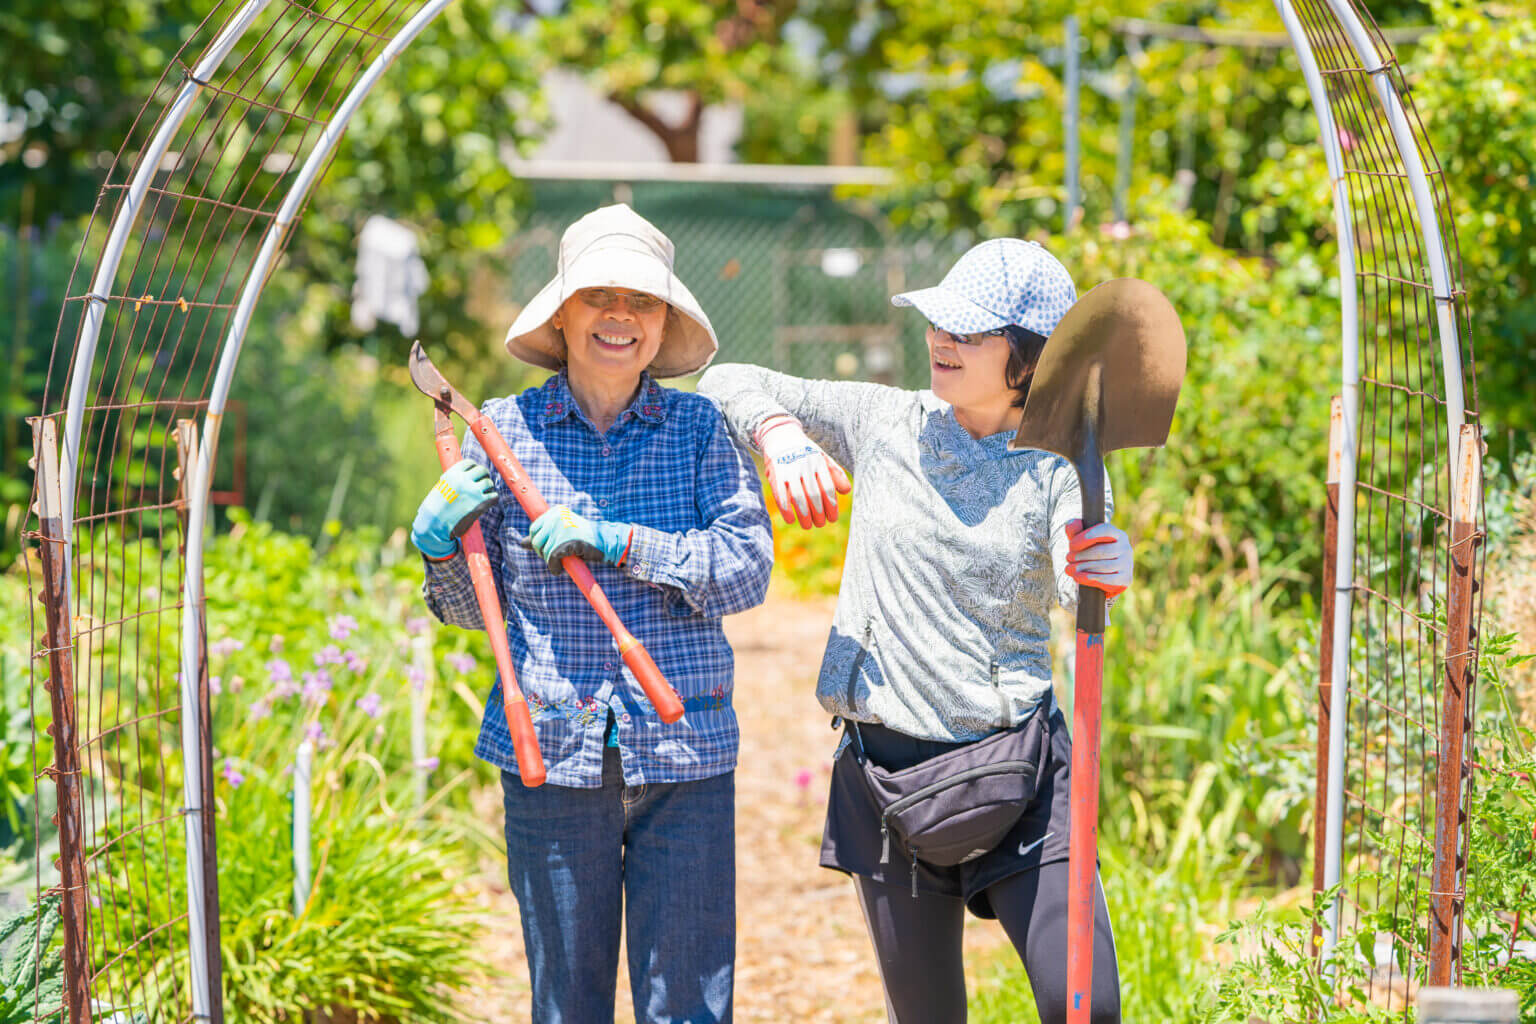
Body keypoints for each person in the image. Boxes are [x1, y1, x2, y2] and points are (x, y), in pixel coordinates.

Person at [698, 238, 1131, 1024]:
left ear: (1028, 358)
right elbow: (727, 376)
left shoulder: (1065, 463)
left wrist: (1102, 563)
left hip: (1022, 772)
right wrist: (782, 435)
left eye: (968, 332)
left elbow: (1081, 568)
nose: (941, 340)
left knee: (1088, 1009)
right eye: (939, 323)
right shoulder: (884, 421)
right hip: (889, 780)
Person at [412, 203, 774, 1024]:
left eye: (642, 301)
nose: (620, 317)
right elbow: (477, 611)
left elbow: (747, 571)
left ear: (663, 322)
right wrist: (440, 546)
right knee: (567, 1002)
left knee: (687, 1004)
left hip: (683, 751)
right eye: (599, 297)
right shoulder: (502, 431)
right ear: (562, 314)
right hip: (551, 752)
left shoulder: (698, 430)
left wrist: (620, 542)